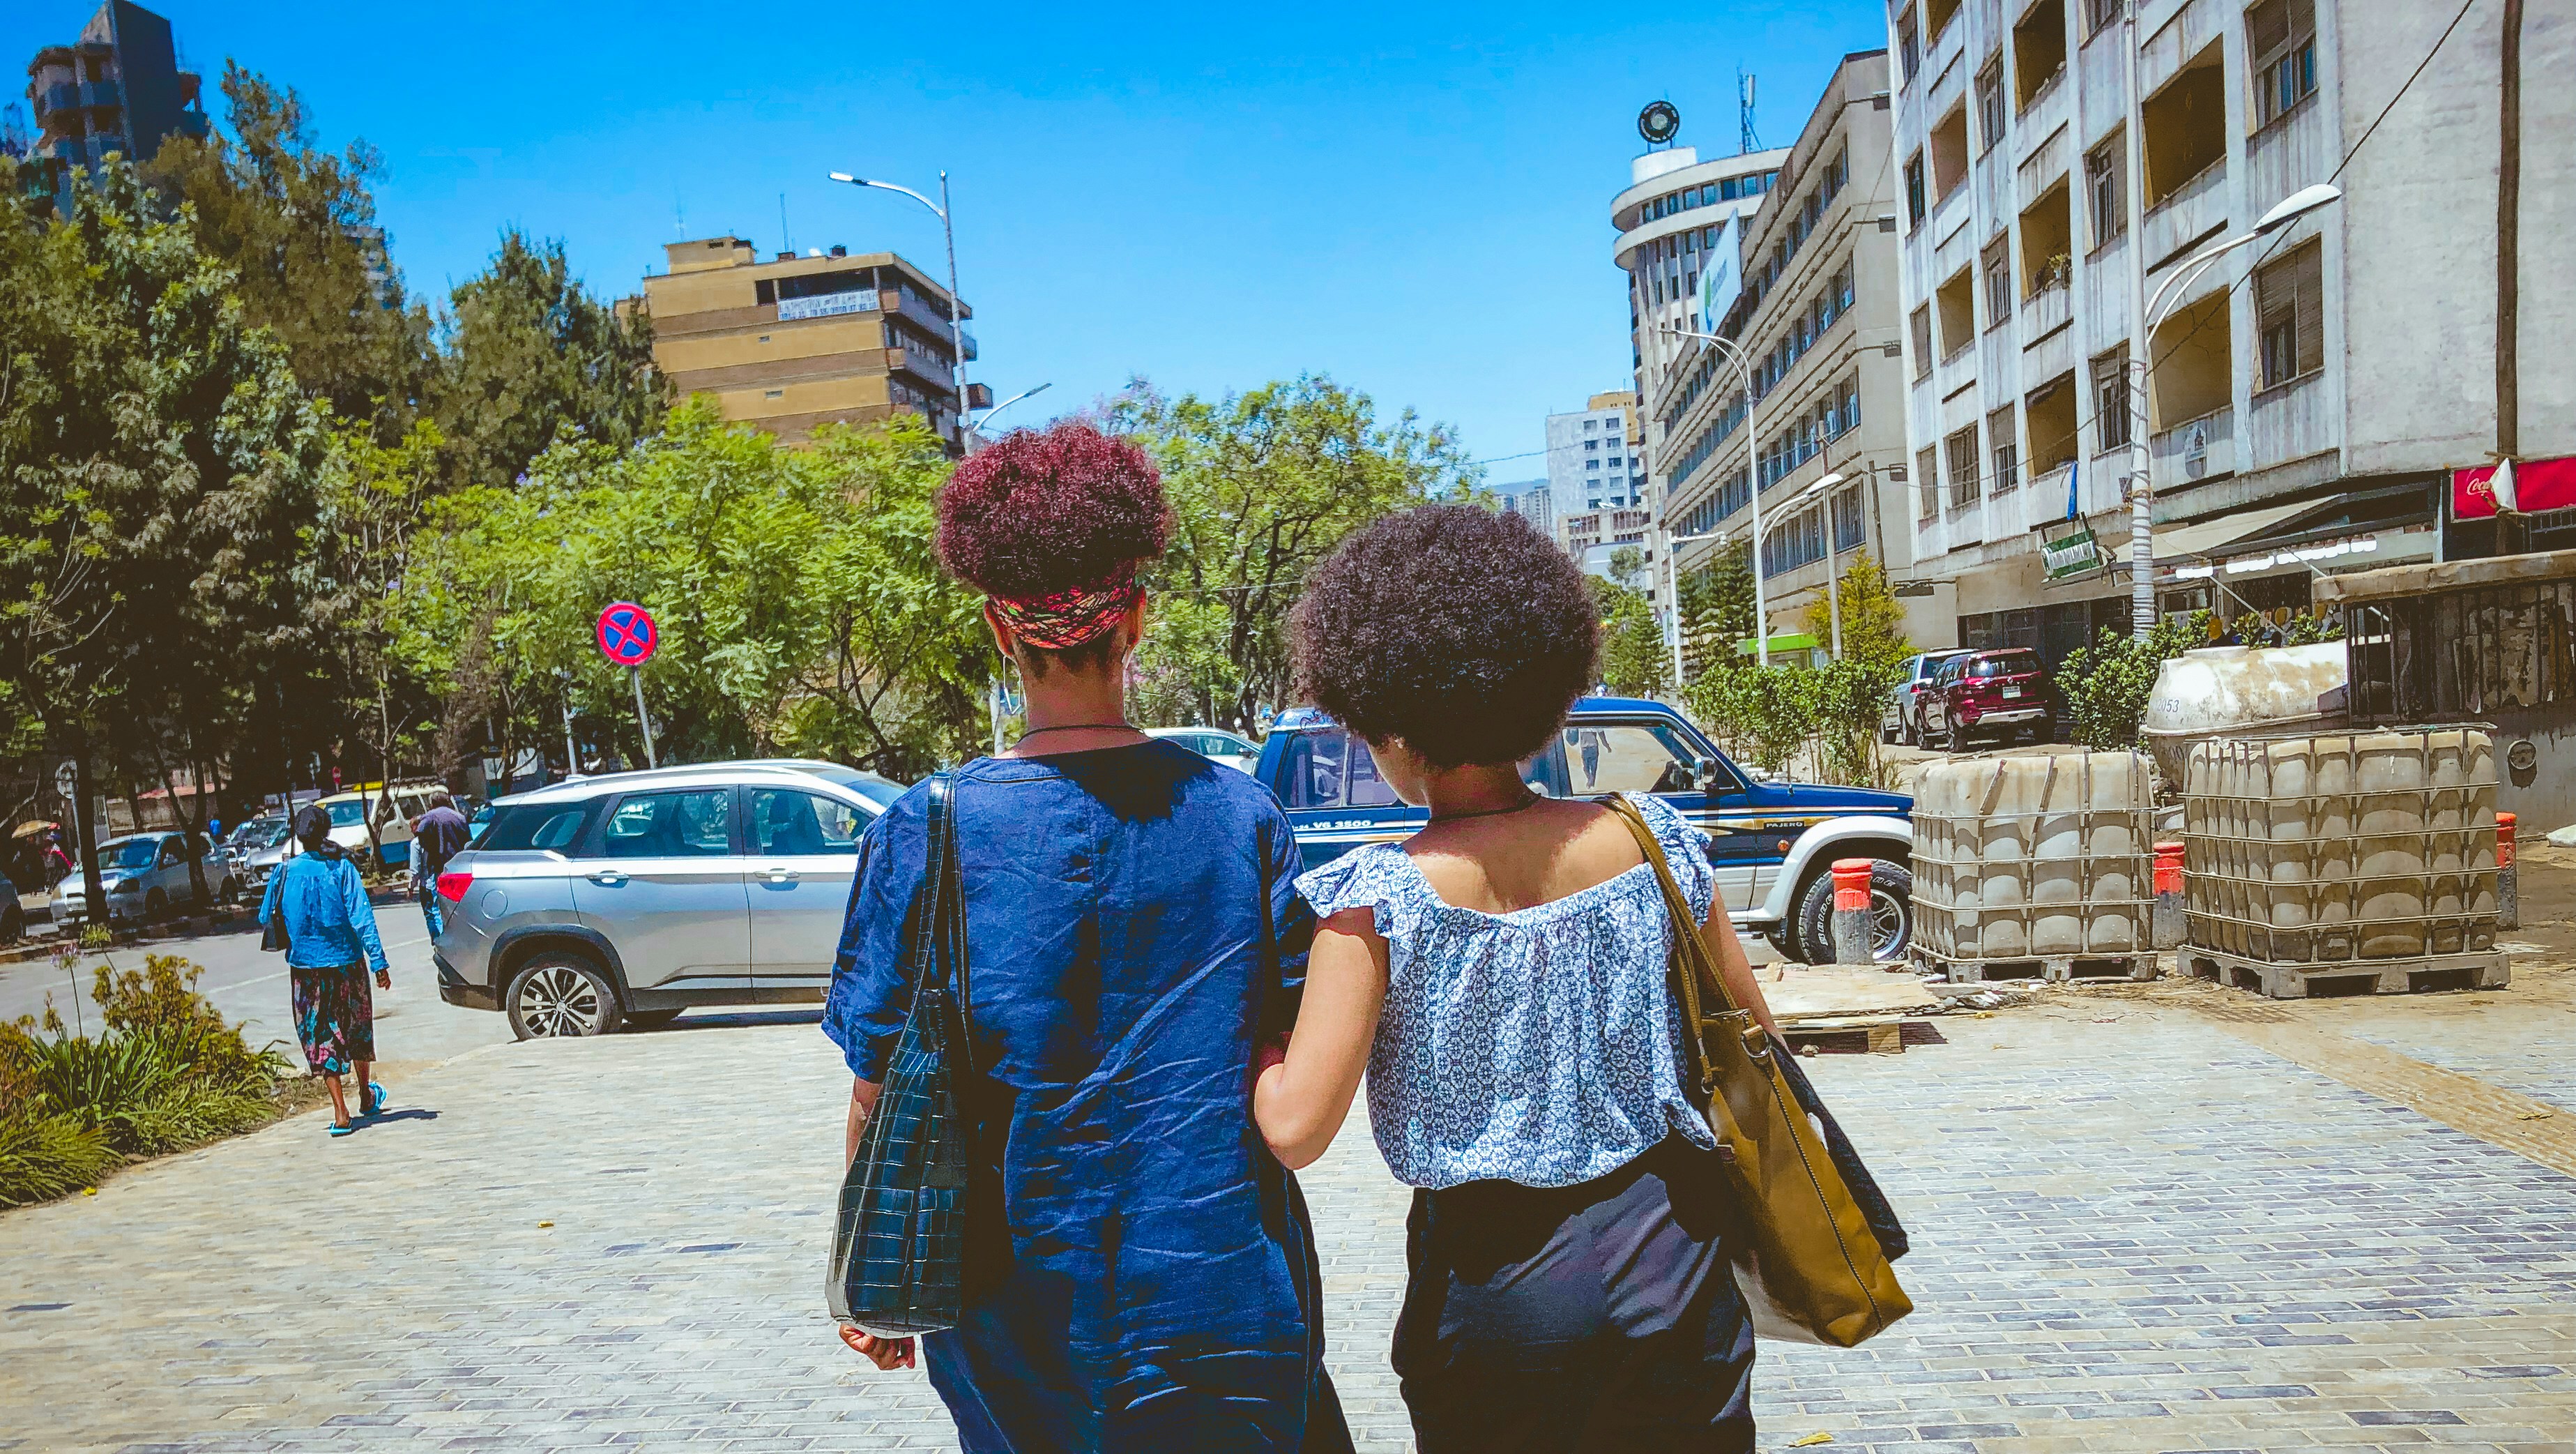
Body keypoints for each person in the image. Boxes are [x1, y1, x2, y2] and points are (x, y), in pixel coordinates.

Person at [823, 422, 1350, 1453]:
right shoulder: (1240, 819)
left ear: (996, 631)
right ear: (1138, 621)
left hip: (1011, 1302)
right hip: (1221, 1284)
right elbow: (1286, 1051)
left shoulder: (922, 829)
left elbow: (878, 1085)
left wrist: (869, 1263)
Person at [1252, 504, 1784, 1453]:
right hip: (1672, 1254)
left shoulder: (1375, 898)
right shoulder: (1652, 844)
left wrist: (1255, 1048)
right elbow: (1757, 1037)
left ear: (1389, 718)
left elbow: (1295, 1128)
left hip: (1492, 1285)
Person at [258, 805, 393, 1137]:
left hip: (306, 970)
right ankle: (365, 1094)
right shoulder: (342, 867)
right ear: (326, 832)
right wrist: (378, 962)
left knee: (320, 1035)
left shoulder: (285, 871)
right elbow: (362, 917)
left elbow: (264, 916)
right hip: (347, 963)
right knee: (357, 1025)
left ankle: (340, 1112)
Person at [409, 792, 471, 940]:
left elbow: (421, 834)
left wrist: (431, 850)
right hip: (460, 867)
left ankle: (443, 939)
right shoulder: (459, 817)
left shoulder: (429, 817)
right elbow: (468, 841)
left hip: (441, 869)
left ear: (432, 804)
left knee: (439, 906)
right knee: (459, 905)